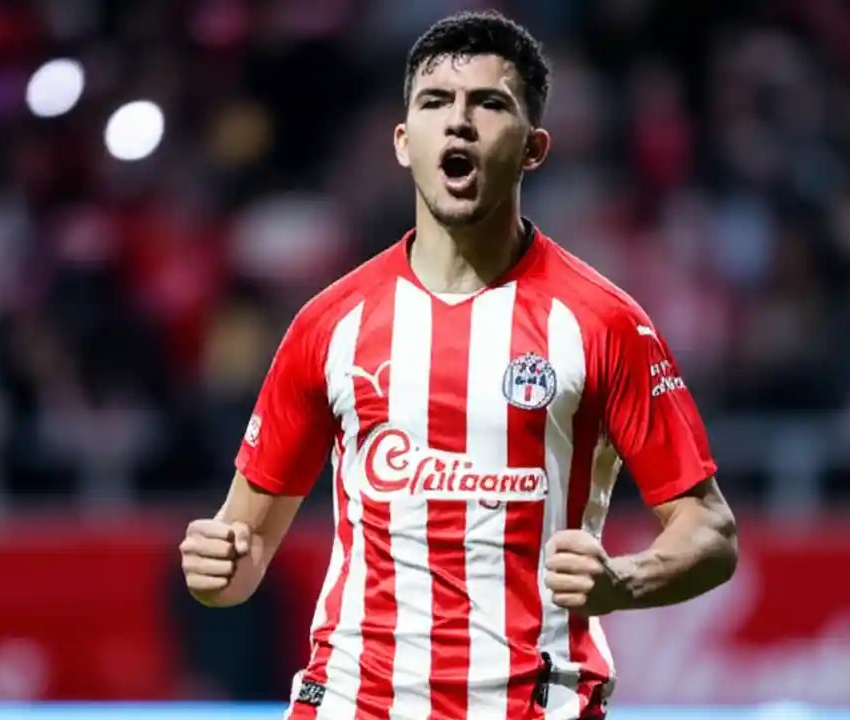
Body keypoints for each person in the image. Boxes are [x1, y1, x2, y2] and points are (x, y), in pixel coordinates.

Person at [178, 10, 738, 720]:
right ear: (404, 141)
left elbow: (711, 532)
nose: (460, 122)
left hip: (533, 706)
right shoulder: (330, 325)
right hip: (357, 703)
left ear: (533, 148)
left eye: (489, 103)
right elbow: (243, 552)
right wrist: (217, 570)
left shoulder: (603, 322)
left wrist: (622, 582)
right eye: (436, 103)